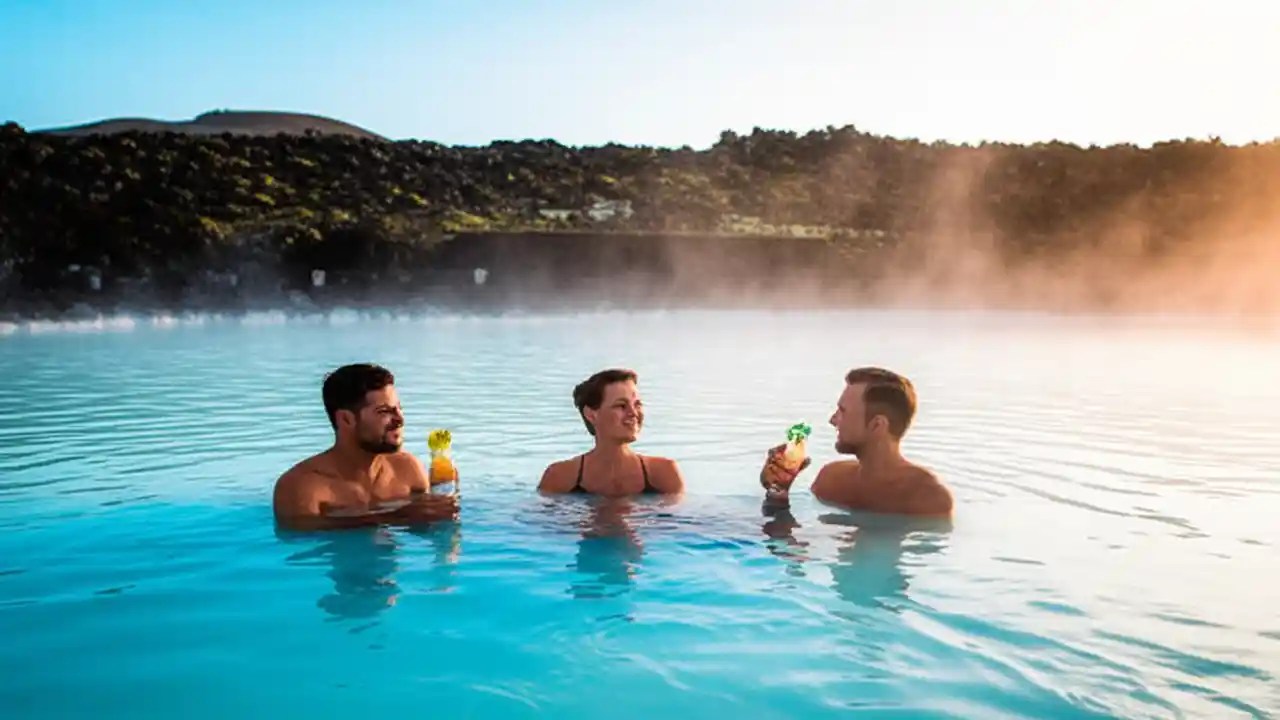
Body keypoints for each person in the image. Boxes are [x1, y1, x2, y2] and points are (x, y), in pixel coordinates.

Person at [273, 363, 459, 530]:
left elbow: (431, 533)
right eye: (384, 411)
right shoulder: (301, 486)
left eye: (399, 408)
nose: (400, 419)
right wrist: (392, 518)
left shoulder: (408, 469)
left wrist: (446, 506)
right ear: (346, 419)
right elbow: (298, 535)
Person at [760, 367, 953, 516]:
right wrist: (778, 493)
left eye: (843, 412)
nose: (832, 420)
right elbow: (792, 547)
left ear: (877, 425)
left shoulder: (928, 498)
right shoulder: (830, 481)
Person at [539, 368, 684, 496]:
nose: (633, 413)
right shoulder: (560, 476)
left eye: (637, 404)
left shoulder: (663, 473)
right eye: (621, 406)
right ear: (591, 415)